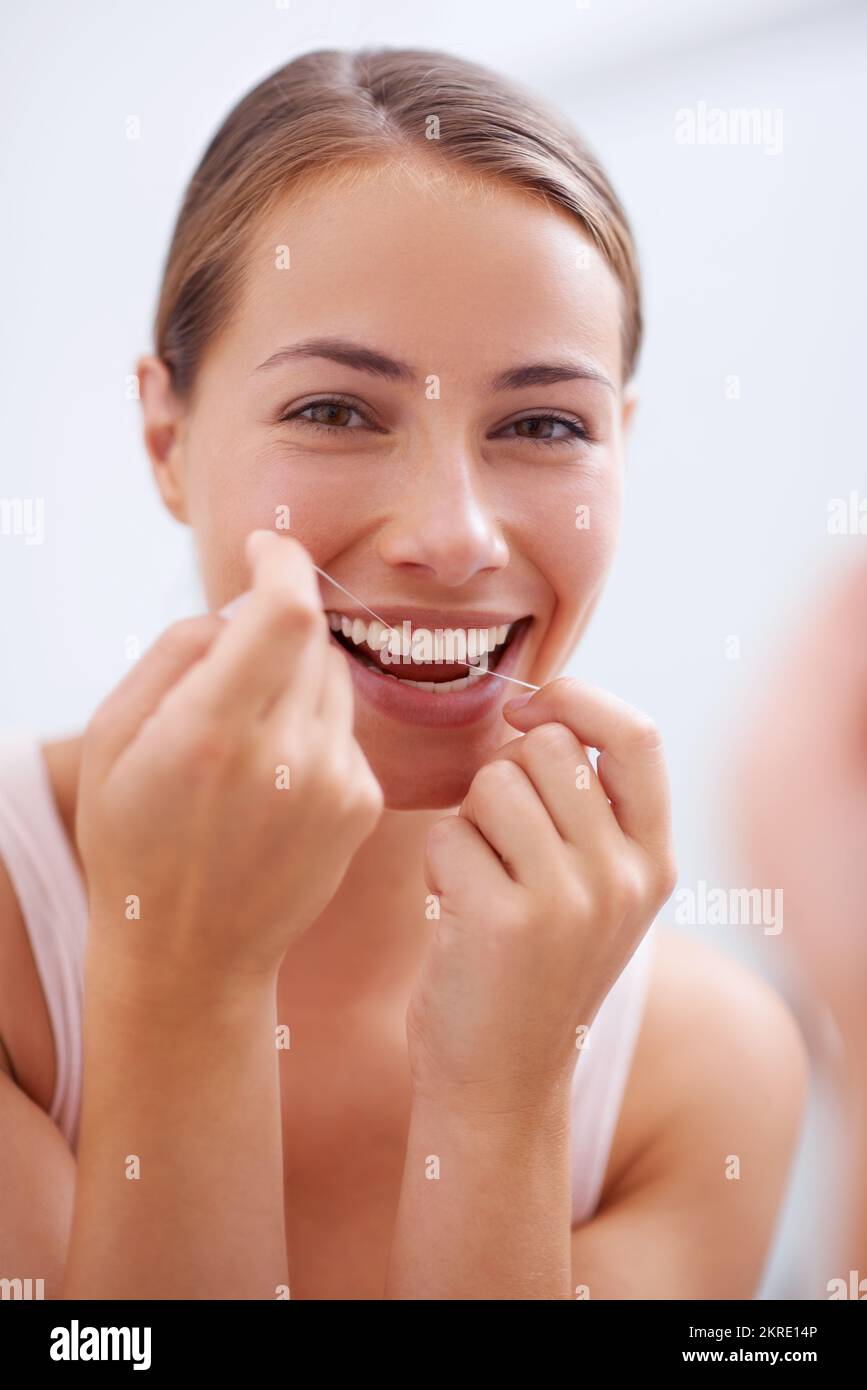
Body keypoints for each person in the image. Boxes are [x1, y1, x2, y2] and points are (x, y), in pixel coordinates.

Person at [0, 47, 807, 1301]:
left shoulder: (704, 1071)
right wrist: (185, 988)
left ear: (622, 453)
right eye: (335, 412)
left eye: (542, 425)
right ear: (166, 437)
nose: (457, 536)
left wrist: (503, 1110)